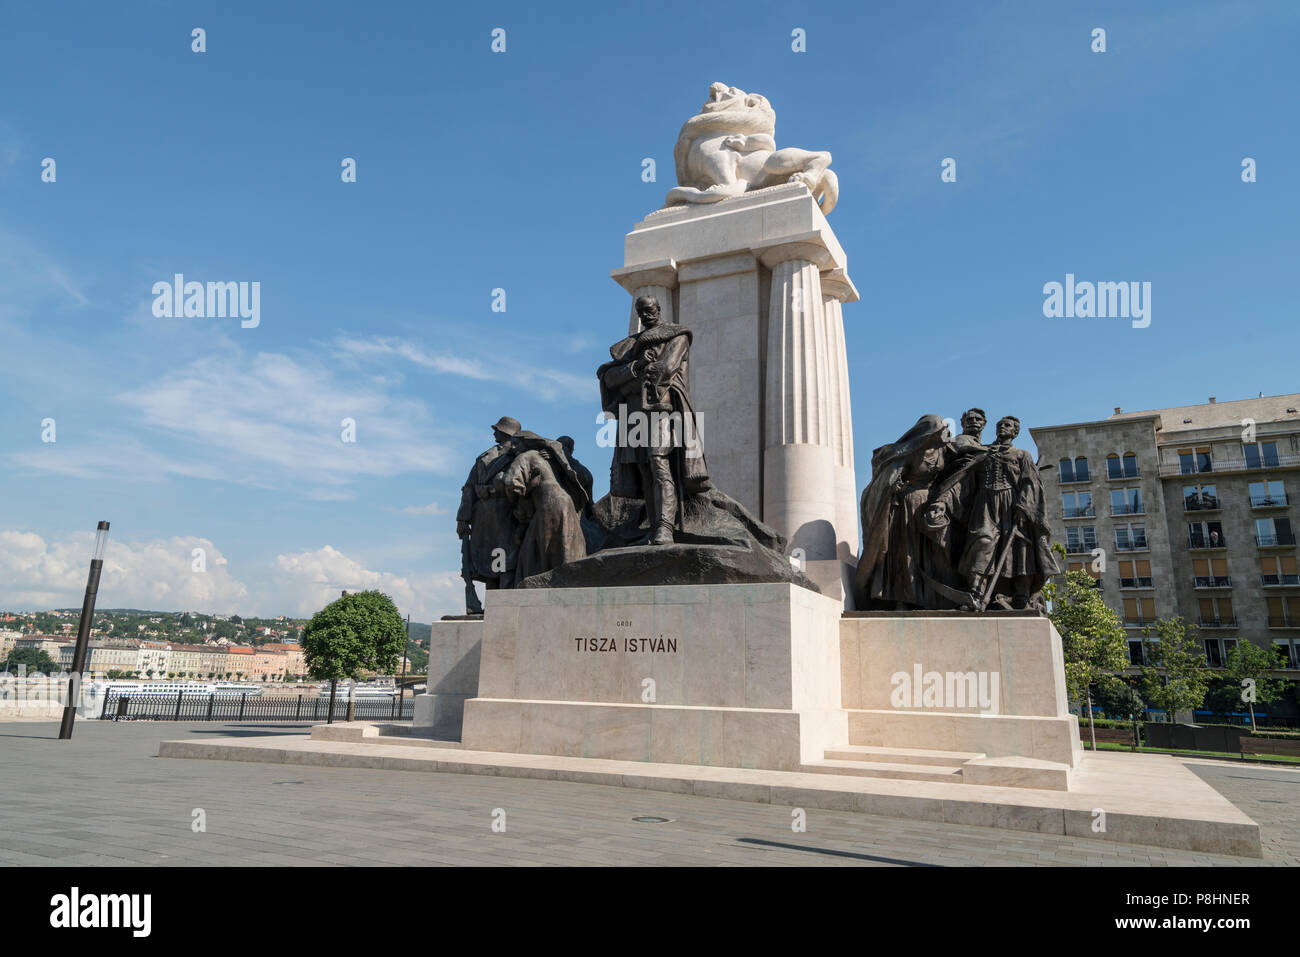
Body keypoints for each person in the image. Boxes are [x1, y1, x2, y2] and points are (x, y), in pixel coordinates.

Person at [597, 295, 711, 545]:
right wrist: (636, 368)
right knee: (643, 469)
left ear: (659, 309)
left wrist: (635, 378)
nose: (646, 315)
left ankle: (665, 528)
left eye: (650, 310)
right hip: (633, 415)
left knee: (659, 464)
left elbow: (666, 368)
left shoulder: (677, 335)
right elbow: (608, 378)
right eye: (641, 312)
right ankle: (653, 525)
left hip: (662, 412)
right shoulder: (627, 346)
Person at [956, 416, 1058, 609]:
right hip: (984, 505)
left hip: (1012, 506)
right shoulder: (983, 453)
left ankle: (1021, 595)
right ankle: (976, 595)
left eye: (1007, 426)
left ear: (1015, 432)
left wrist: (1023, 507)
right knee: (981, 542)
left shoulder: (1022, 455)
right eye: (1000, 425)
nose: (1002, 427)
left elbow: (1031, 483)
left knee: (1019, 549)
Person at [456, 416, 523, 612]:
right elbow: (468, 489)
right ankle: (491, 607)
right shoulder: (484, 456)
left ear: (507, 432)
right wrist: (463, 518)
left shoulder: (520, 455)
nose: (494, 432)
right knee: (487, 562)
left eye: (498, 429)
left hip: (506, 513)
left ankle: (503, 606)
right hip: (483, 517)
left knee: (506, 561)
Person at [502, 448, 588, 583]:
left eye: (515, 443)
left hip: (549, 504)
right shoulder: (548, 460)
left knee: (535, 551)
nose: (512, 447)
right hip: (565, 502)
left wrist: (518, 498)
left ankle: (544, 580)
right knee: (565, 545)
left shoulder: (525, 456)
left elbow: (511, 481)